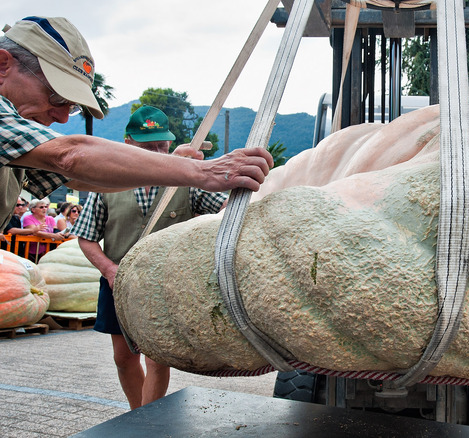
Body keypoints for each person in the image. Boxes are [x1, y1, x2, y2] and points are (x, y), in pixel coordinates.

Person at [0, 16, 273, 231]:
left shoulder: (16, 145)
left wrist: (173, 166)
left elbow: (79, 177)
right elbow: (68, 156)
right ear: (3, 65)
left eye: (70, 106)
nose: (61, 117)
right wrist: (205, 171)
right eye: (56, 96)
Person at [72, 105, 229, 410]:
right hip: (118, 282)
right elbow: (86, 237)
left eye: (162, 145)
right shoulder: (105, 183)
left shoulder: (185, 179)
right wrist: (109, 269)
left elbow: (225, 209)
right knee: (123, 358)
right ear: (128, 144)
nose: (157, 151)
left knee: (158, 358)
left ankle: (145, 425)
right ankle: (138, 414)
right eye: (148, 147)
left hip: (166, 285)